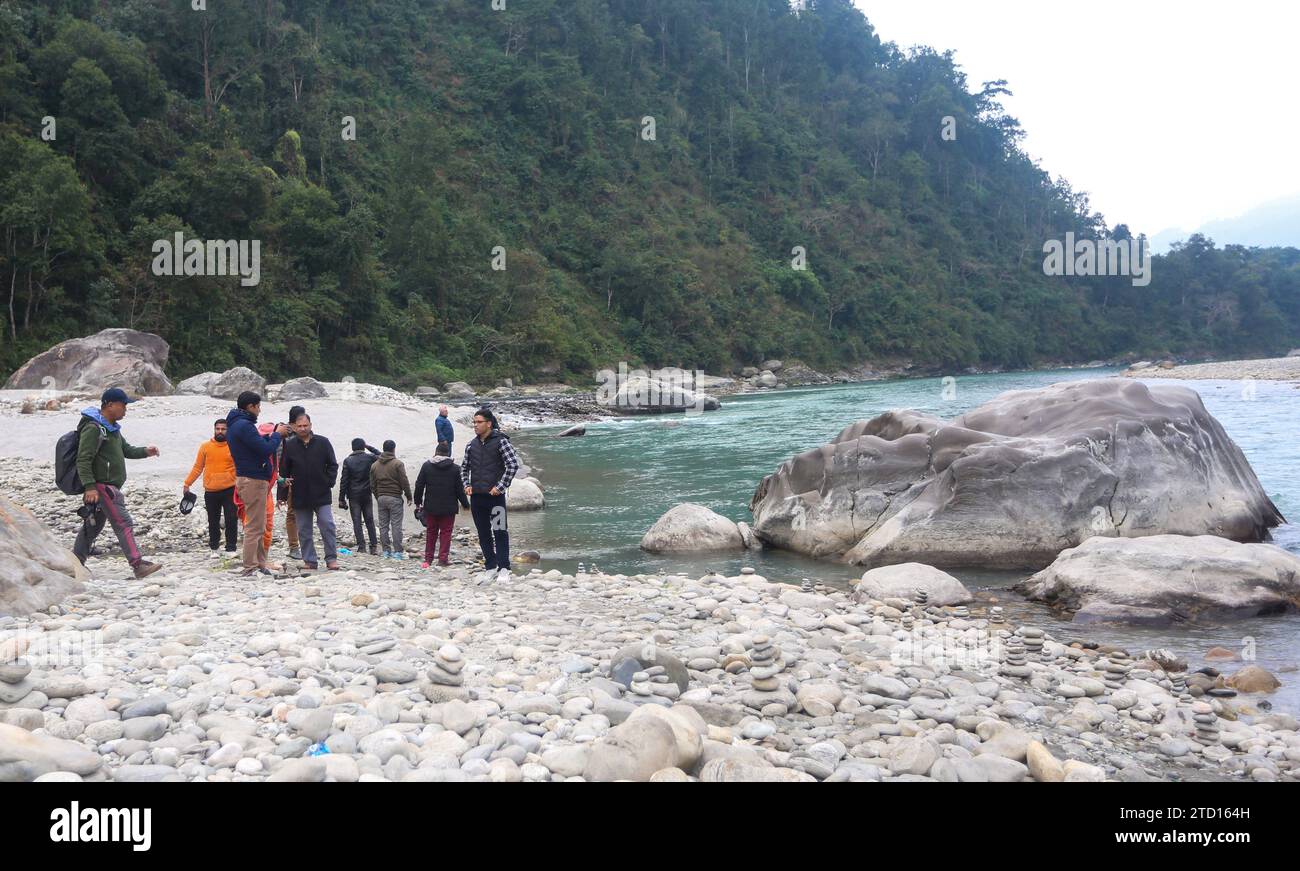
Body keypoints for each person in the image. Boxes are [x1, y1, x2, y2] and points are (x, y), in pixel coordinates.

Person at [73, 388, 163, 578]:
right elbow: (83, 459)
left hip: (105, 487)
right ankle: (138, 565)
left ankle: (75, 562)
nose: (126, 409)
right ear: (110, 405)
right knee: (123, 523)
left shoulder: (111, 429)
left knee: (93, 525)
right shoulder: (93, 428)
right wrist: (89, 486)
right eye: (123, 405)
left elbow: (127, 450)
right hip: (102, 488)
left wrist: (146, 451)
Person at [226, 391, 291, 575]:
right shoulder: (244, 426)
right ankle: (250, 567)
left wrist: (271, 436)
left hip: (249, 478)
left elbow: (255, 445)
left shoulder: (237, 425)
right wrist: (277, 435)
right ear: (251, 407)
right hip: (253, 480)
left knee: (259, 524)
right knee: (254, 526)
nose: (260, 410)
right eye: (258, 406)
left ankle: (260, 564)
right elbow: (265, 450)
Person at [461, 407, 519, 583]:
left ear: (489, 423)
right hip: (477, 498)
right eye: (474, 422)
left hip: (495, 498)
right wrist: (466, 485)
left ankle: (504, 568)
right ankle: (490, 567)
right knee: (483, 532)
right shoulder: (471, 445)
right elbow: (464, 467)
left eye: (479, 422)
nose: (475, 426)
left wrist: (500, 487)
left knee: (500, 531)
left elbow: (512, 465)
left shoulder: (502, 442)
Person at [280, 409, 340, 570]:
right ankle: (310, 560)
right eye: (299, 426)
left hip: (321, 493)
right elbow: (284, 471)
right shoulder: (290, 445)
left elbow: (333, 464)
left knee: (327, 524)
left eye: (305, 425)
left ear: (310, 425)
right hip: (300, 494)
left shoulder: (323, 442)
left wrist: (329, 482)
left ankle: (331, 558)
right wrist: (282, 495)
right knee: (304, 529)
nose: (302, 428)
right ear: (294, 426)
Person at [183, 418, 238, 553]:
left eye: (223, 429)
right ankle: (214, 547)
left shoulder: (234, 446)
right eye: (217, 429)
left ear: (228, 430)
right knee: (213, 520)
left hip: (230, 489)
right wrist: (187, 483)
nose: (220, 431)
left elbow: (241, 467)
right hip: (211, 490)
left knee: (231, 519)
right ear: (214, 429)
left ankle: (231, 548)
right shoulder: (205, 447)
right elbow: (197, 467)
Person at [413, 442, 469, 568]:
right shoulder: (455, 468)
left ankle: (428, 559)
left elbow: (419, 485)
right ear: (448, 454)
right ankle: (443, 559)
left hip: (430, 506)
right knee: (446, 532)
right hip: (449, 507)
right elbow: (459, 489)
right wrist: (466, 504)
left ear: (436, 452)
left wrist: (418, 502)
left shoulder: (427, 466)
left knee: (431, 532)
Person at [369, 439, 412, 559]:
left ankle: (386, 551)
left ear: (383, 449)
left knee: (383, 526)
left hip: (381, 498)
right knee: (396, 525)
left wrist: (378, 496)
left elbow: (372, 485)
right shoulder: (398, 463)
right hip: (395, 497)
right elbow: (404, 481)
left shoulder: (374, 465)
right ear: (394, 449)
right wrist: (409, 496)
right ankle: (398, 552)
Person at [338, 438, 380, 554]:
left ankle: (361, 546)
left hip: (353, 494)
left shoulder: (348, 461)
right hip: (367, 492)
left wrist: (341, 499)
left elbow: (344, 480)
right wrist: (369, 447)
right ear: (363, 447)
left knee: (356, 520)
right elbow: (382, 456)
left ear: (352, 447)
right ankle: (373, 546)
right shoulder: (370, 458)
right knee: (369, 519)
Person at [278, 405, 305, 560]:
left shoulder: (308, 435)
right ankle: (294, 546)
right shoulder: (283, 437)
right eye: (299, 422)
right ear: (293, 422)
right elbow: (281, 465)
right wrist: (281, 491)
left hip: (306, 481)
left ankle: (301, 546)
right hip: (291, 482)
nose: (302, 426)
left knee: (299, 514)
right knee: (293, 514)